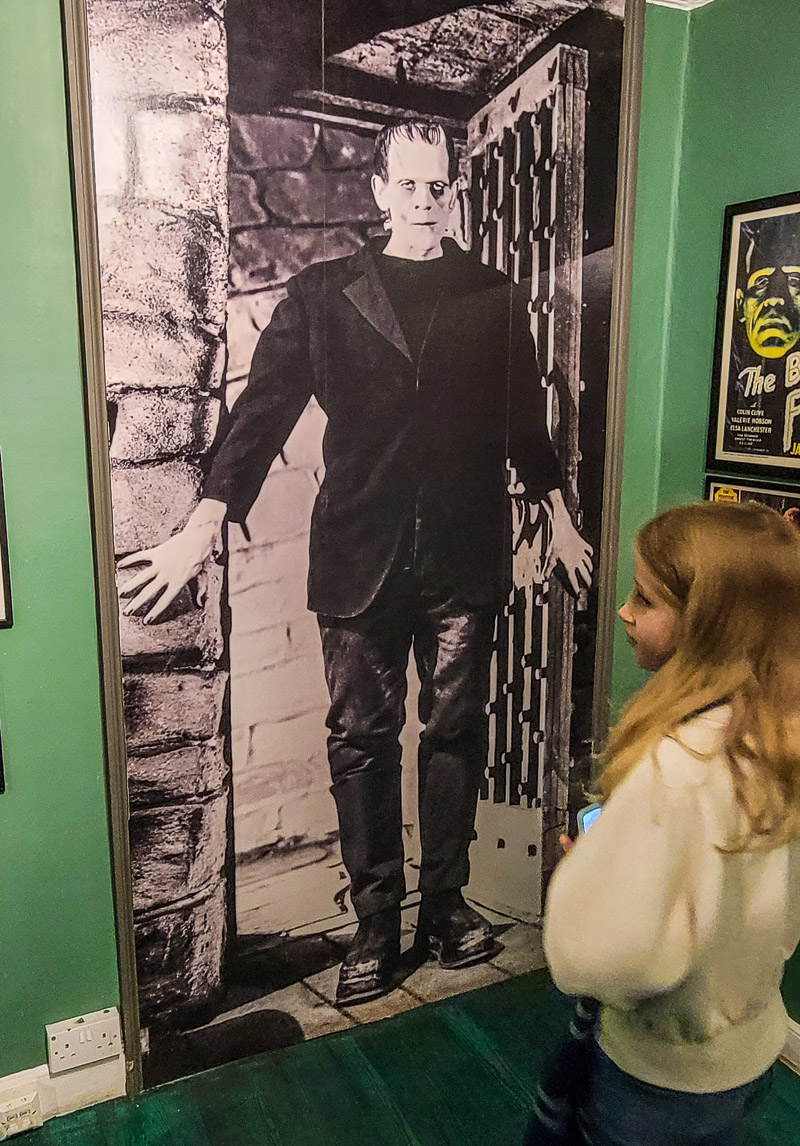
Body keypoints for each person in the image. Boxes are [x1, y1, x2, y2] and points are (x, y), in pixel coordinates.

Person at [119, 118, 593, 1005]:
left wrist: (558, 517)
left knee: (454, 733)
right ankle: (376, 923)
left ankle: (444, 906)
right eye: (407, 185)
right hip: (358, 556)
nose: (423, 201)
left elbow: (523, 421)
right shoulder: (323, 293)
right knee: (362, 740)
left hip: (463, 553)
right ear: (378, 192)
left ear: (453, 191)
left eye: (437, 186)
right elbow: (261, 413)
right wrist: (202, 523)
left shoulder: (492, 294)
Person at [529, 499, 800, 1145]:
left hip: (657, 1072)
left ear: (712, 625)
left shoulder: (676, 768)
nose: (624, 611)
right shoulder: (779, 737)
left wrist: (587, 879)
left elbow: (608, 956)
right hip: (748, 1047)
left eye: (646, 599)